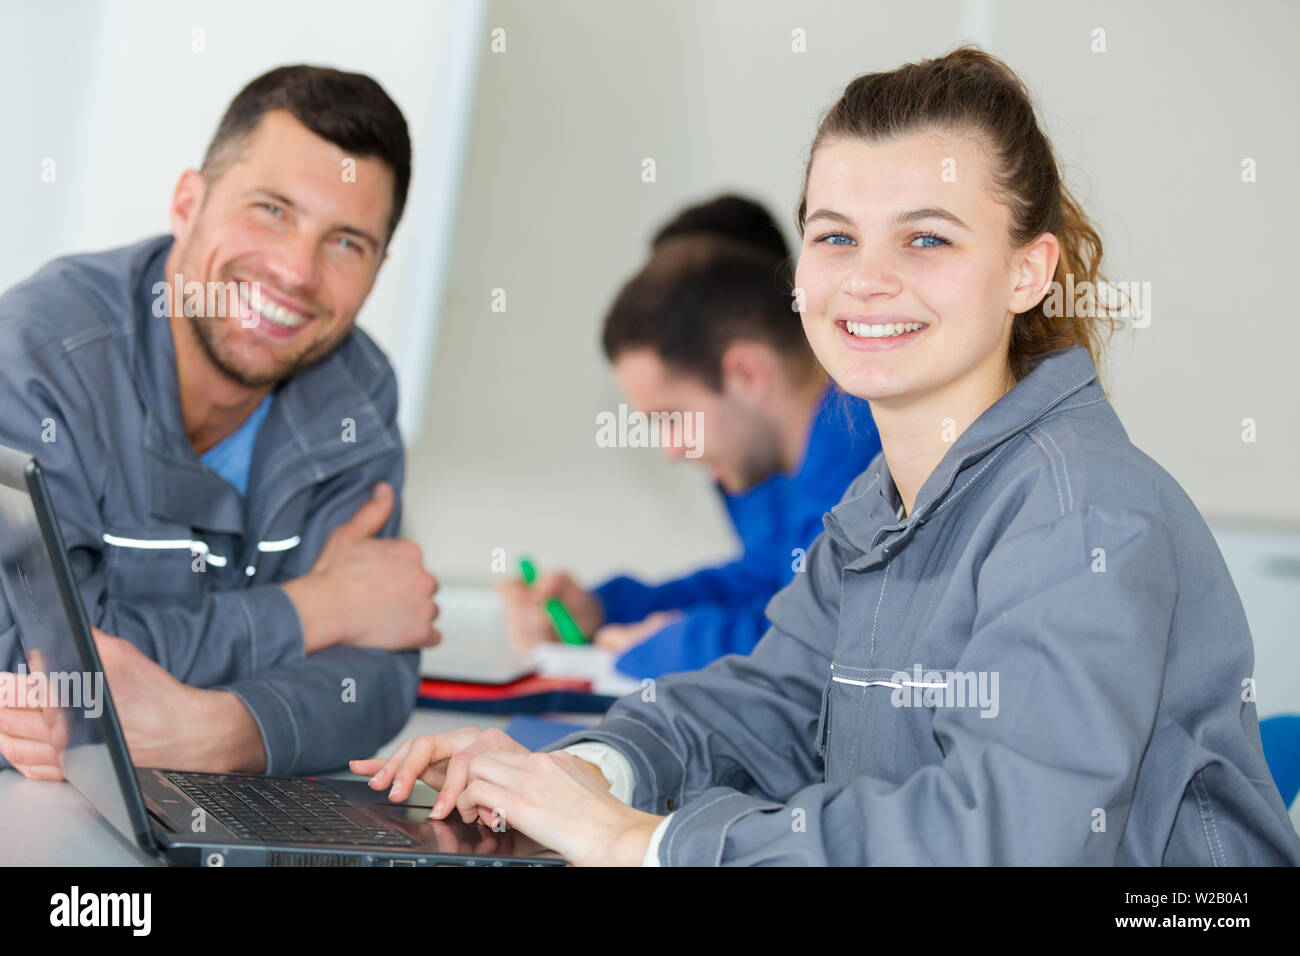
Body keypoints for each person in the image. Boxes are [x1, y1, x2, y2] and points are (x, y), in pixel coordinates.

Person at [353, 47, 1300, 866]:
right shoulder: (883, 504)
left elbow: (1002, 840)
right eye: (835, 236)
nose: (868, 279)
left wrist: (642, 842)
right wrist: (582, 771)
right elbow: (774, 698)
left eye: (926, 237)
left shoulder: (1082, 512)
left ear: (1028, 270)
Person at [0, 65, 439, 779]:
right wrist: (315, 608)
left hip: (226, 803)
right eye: (271, 209)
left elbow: (375, 677)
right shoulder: (37, 359)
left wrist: (221, 732)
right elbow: (45, 673)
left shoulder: (357, 394)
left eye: (346, 243)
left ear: (379, 268)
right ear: (187, 202)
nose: (297, 271)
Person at [499, 196, 881, 677]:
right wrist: (609, 611)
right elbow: (767, 581)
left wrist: (658, 648)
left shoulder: (865, 456)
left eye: (672, 417)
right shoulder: (815, 448)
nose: (672, 451)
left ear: (745, 375)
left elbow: (819, 641)